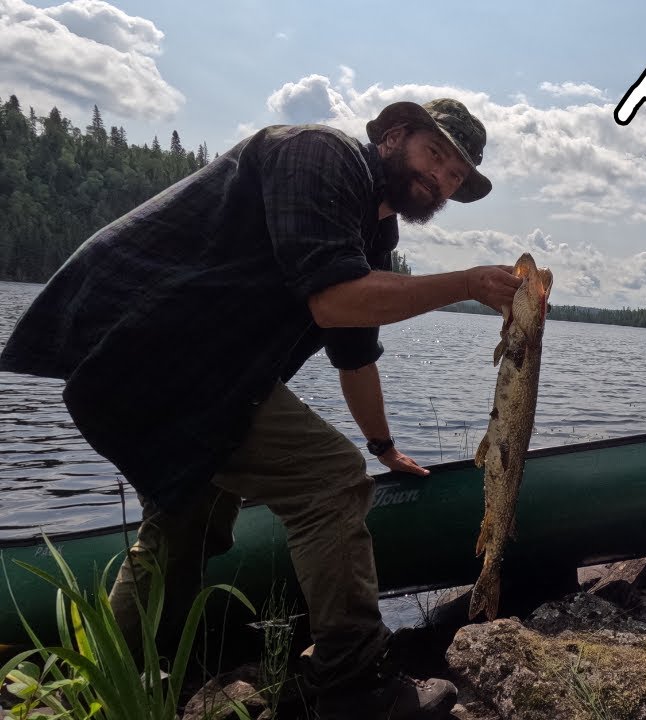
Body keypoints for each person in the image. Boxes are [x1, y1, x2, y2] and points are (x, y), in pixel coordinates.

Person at [0, 98, 522, 719]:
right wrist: (463, 283)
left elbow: (354, 354)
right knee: (329, 479)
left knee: (183, 523)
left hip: (200, 369)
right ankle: (358, 689)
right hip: (149, 345)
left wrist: (383, 447)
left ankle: (100, 691)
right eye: (434, 154)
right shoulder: (319, 155)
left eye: (455, 174)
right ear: (393, 137)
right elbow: (332, 301)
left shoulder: (372, 232)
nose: (440, 176)